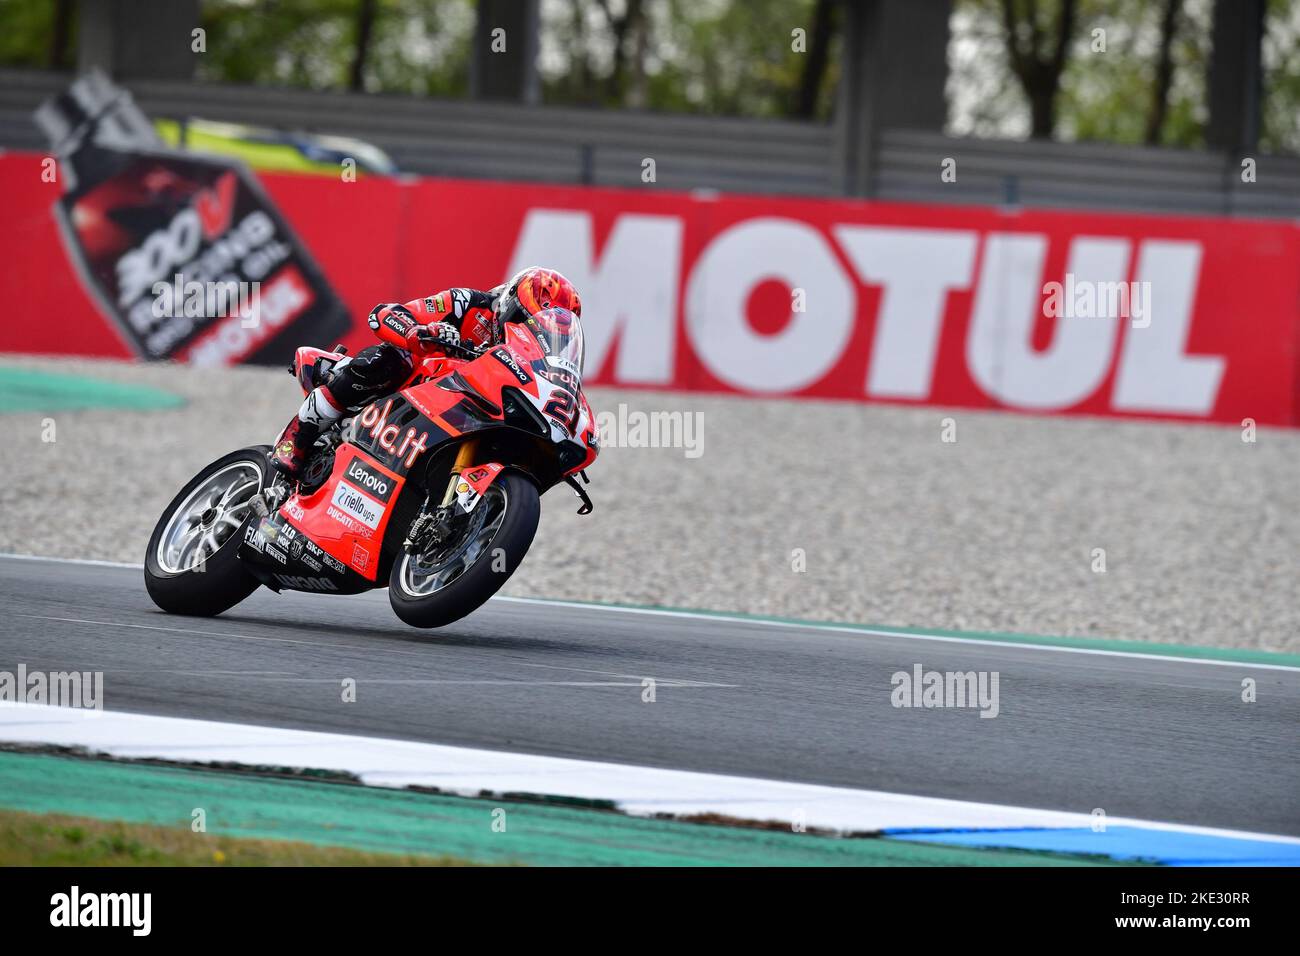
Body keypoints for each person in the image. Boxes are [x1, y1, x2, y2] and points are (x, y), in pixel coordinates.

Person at [270, 266, 582, 478]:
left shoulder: (532, 360)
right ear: (509, 300)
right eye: (521, 318)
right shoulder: (468, 304)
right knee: (393, 358)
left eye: (535, 327)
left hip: (459, 416)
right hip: (413, 386)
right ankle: (299, 433)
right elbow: (384, 314)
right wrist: (418, 333)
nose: (521, 329)